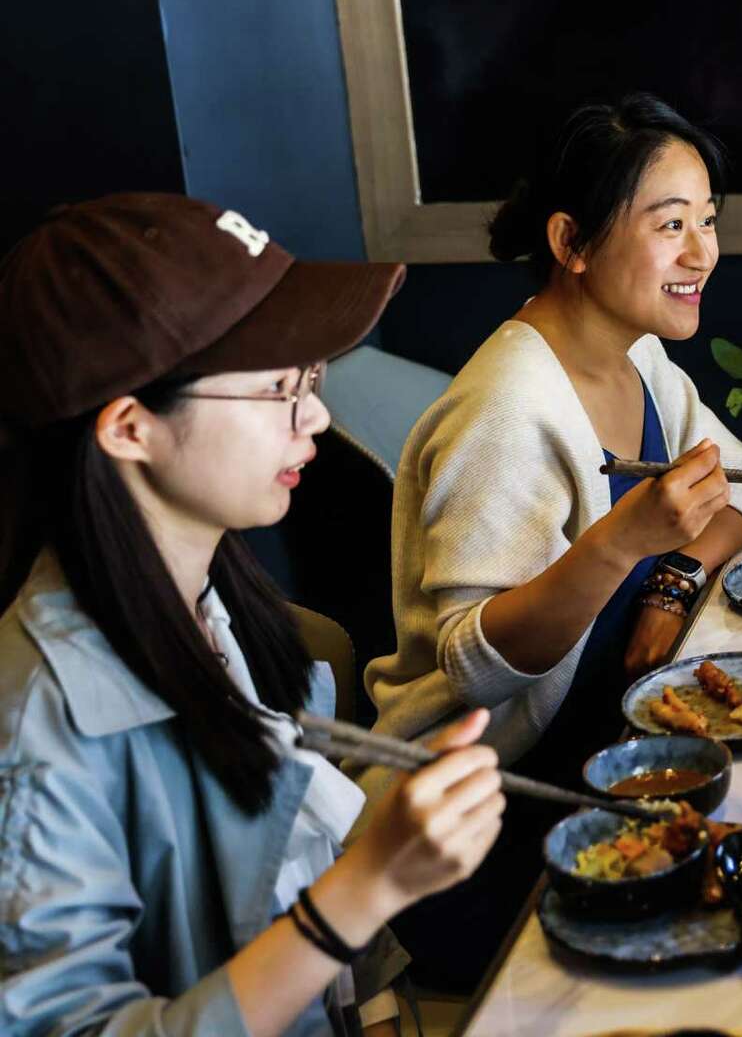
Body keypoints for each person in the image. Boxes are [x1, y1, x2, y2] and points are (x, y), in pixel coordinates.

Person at [0, 196, 505, 1036]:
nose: (315, 416)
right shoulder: (37, 732)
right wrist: (367, 887)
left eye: (310, 379)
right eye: (278, 387)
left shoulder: (206, 601)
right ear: (131, 427)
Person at [363, 93, 742, 988]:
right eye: (670, 225)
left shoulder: (639, 358)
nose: (702, 252)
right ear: (572, 242)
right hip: (485, 827)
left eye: (706, 221)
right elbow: (476, 664)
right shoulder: (507, 410)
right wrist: (624, 546)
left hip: (608, 767)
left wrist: (673, 581)